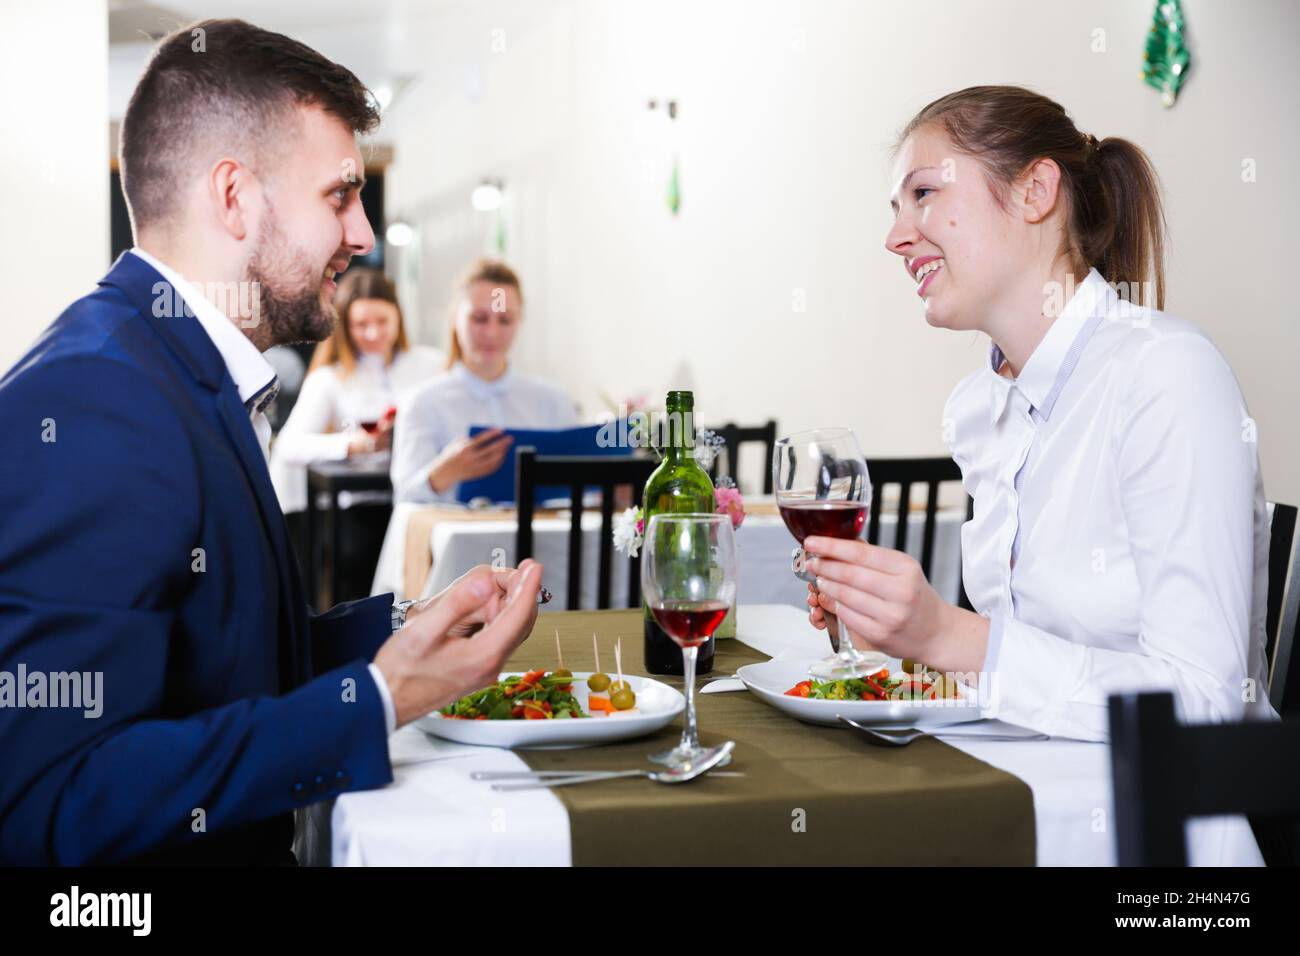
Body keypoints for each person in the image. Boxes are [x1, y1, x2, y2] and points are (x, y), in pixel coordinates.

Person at [0, 19, 541, 865]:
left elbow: (212, 664)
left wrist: (406, 628)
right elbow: (54, 803)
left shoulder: (178, 363)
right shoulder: (98, 396)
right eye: (339, 196)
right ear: (233, 197)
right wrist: (373, 701)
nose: (362, 235)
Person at [804, 85, 1277, 744]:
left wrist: (951, 634)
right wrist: (901, 634)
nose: (895, 236)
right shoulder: (977, 408)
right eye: (895, 207)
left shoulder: (1166, 374)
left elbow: (1205, 702)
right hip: (1020, 780)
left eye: (924, 194)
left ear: (1034, 192)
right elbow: (1019, 675)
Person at [270, 269, 442, 598]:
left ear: (399, 318)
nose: (374, 332)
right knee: (360, 561)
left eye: (382, 321)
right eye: (361, 325)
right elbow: (290, 446)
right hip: (361, 504)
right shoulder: (331, 378)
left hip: (420, 499)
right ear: (344, 326)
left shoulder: (428, 366)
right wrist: (355, 445)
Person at [390, 259, 578, 504]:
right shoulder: (422, 402)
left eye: (505, 320)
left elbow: (576, 490)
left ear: (519, 322)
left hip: (537, 540)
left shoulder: (552, 400)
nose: (491, 333)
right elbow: (404, 499)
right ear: (455, 319)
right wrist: (442, 474)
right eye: (479, 318)